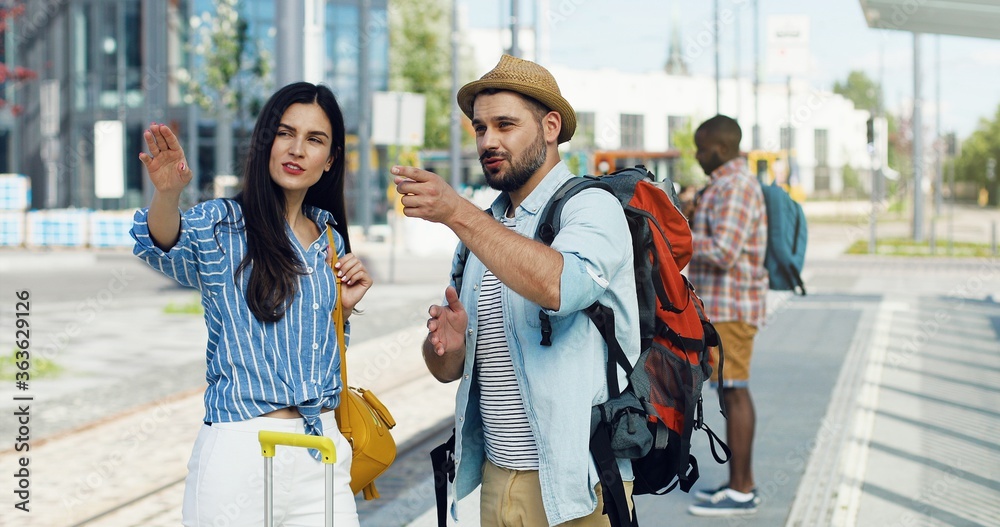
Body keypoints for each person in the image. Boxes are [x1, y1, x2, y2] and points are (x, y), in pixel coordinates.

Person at [393, 54, 640, 526]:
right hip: (496, 480)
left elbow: (559, 286)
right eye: (480, 128)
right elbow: (448, 370)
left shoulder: (591, 208)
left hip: (579, 485)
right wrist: (445, 344)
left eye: (505, 124)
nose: (489, 141)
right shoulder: (484, 229)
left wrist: (456, 212)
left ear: (550, 127)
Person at [130, 82, 372, 527]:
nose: (297, 149)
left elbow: (319, 349)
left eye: (314, 140)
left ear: (330, 159)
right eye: (285, 133)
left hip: (321, 448)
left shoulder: (331, 241)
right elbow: (162, 243)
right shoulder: (222, 225)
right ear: (265, 141)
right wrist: (167, 195)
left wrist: (344, 308)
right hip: (242, 449)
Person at [685, 114, 768, 517]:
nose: (698, 156)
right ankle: (739, 484)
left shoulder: (735, 186)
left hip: (732, 307)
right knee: (730, 392)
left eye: (700, 148)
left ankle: (742, 490)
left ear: (718, 148)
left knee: (734, 392)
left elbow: (723, 251)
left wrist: (677, 237)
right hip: (722, 307)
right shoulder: (723, 184)